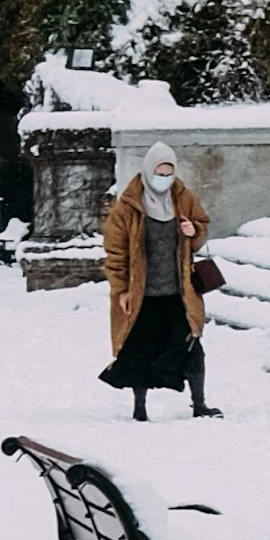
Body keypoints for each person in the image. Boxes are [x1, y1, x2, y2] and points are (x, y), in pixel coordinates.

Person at [100, 135, 218, 421]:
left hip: (180, 291)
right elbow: (115, 253)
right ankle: (139, 408)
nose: (164, 179)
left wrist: (194, 232)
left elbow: (201, 229)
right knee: (140, 349)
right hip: (143, 294)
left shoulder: (184, 198)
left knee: (192, 346)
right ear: (148, 170)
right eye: (159, 173)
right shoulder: (127, 206)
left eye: (169, 173)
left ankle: (199, 403)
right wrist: (123, 289)